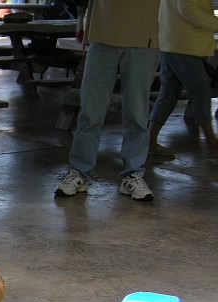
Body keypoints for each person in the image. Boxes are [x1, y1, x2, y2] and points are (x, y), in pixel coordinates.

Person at [55, 0, 161, 201]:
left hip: (144, 38)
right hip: (102, 36)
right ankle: (79, 171)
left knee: (137, 113)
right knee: (90, 111)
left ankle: (133, 173)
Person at [147, 0, 218, 157]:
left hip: (172, 41)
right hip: (185, 44)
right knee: (200, 90)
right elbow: (187, 8)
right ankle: (212, 142)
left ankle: (150, 141)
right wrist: (215, 23)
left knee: (168, 94)